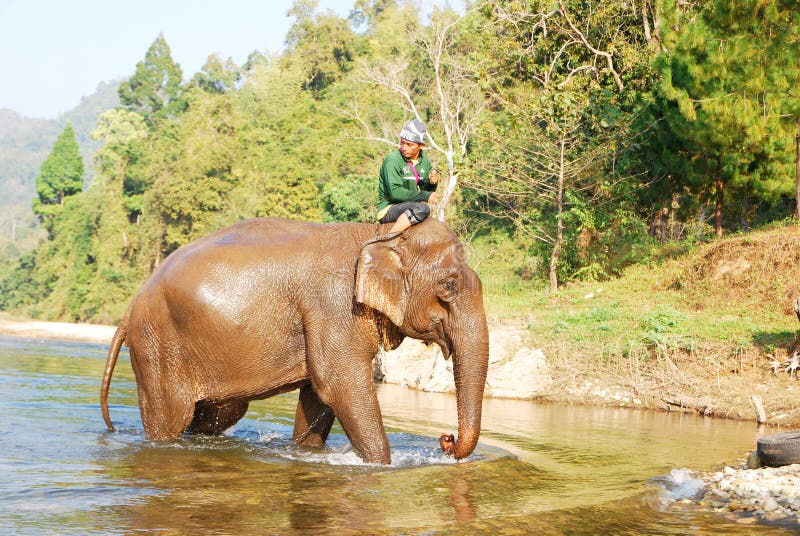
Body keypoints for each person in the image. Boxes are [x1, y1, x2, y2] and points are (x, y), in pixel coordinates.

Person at [376, 119, 441, 233]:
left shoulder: (424, 160)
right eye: (402, 143)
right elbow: (395, 193)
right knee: (422, 208)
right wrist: (426, 196)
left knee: (424, 212)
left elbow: (426, 189)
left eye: (409, 144)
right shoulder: (393, 160)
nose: (404, 147)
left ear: (421, 145)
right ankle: (388, 239)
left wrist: (431, 183)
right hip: (389, 208)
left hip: (409, 207)